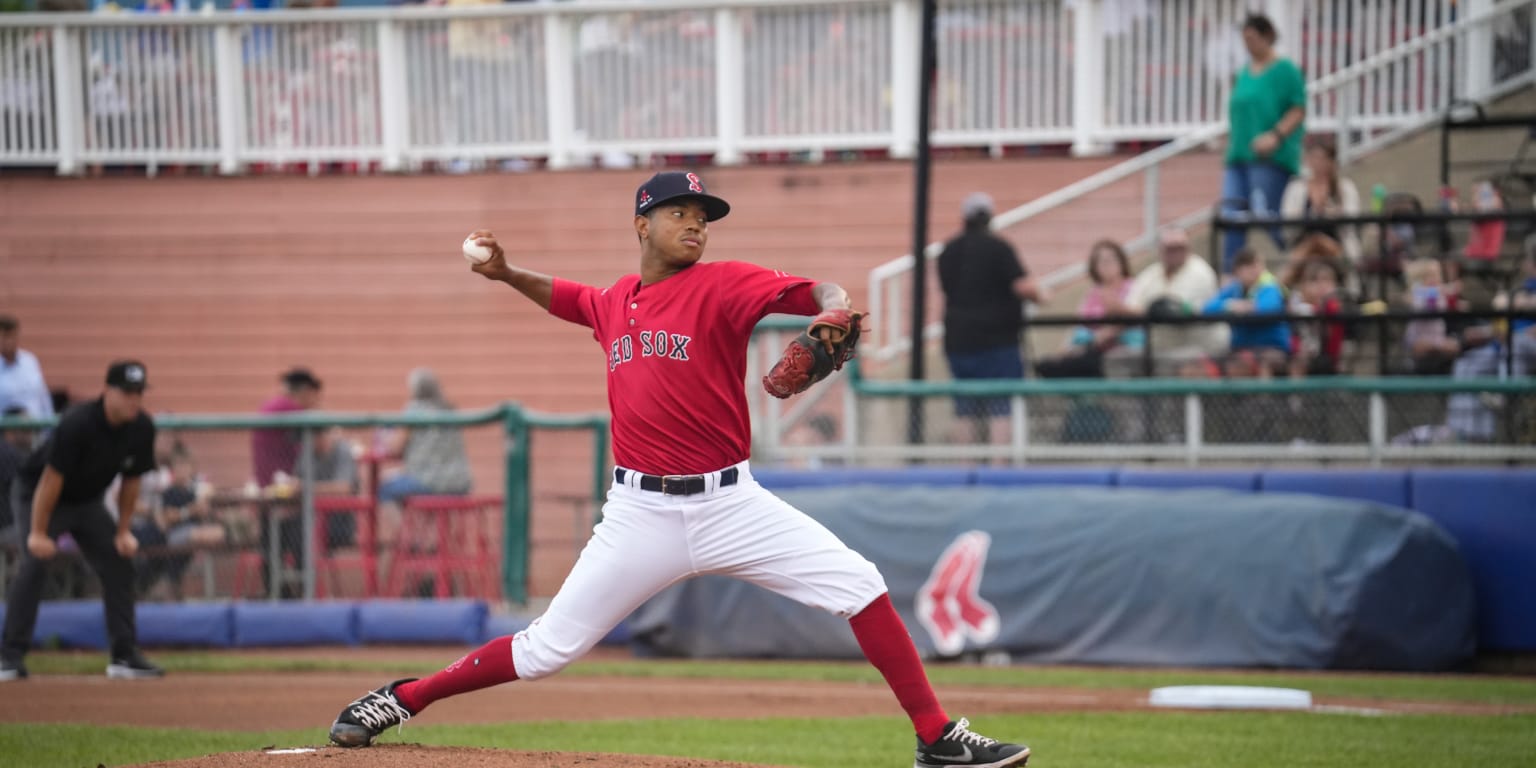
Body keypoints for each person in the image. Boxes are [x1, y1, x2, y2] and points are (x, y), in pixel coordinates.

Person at [326, 171, 1032, 768]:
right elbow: (568, 297)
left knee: (860, 584)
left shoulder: (724, 284)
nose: (695, 225)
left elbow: (820, 290)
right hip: (640, 516)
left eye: (703, 216)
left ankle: (937, 740)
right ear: (643, 224)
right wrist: (507, 272)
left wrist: (836, 310)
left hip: (734, 505)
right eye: (679, 213)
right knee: (546, 649)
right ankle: (403, 697)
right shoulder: (613, 303)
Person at [0, 360, 164, 682]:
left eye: (139, 393)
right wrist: (37, 533)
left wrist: (123, 531)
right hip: (39, 494)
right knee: (34, 563)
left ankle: (124, 655)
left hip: (86, 501)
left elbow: (131, 482)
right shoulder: (79, 422)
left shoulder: (142, 427)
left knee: (119, 562)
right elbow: (50, 480)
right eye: (127, 392)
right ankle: (9, 657)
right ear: (107, 391)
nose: (134, 399)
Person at [937, 192, 1049, 447]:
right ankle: (999, 466)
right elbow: (1024, 287)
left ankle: (967, 469)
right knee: (1002, 403)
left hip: (958, 339)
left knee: (964, 406)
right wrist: (1043, 297)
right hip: (998, 340)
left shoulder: (949, 251)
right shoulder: (999, 247)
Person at [1220, 13, 1307, 273]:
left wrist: (1275, 136)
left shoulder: (1285, 70)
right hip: (1238, 157)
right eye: (1244, 39)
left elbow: (1298, 107)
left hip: (1270, 160)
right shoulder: (1244, 72)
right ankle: (1230, 276)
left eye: (1252, 38)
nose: (1248, 44)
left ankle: (1295, 266)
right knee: (1232, 215)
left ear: (1267, 36)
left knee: (1269, 216)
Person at [1112, 226, 1227, 378]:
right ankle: (1126, 402)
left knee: (1175, 364)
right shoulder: (1151, 274)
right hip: (1159, 348)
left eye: (1180, 247)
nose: (1176, 252)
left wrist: (1141, 310)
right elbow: (1131, 307)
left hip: (1198, 348)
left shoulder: (1200, 272)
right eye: (1170, 248)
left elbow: (1169, 311)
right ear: (1160, 249)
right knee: (1116, 359)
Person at [250, 367, 322, 599]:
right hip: (281, 493)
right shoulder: (287, 408)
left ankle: (283, 592)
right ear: (305, 392)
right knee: (292, 545)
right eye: (314, 395)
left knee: (275, 547)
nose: (315, 402)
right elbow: (321, 440)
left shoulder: (276, 407)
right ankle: (295, 593)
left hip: (274, 491)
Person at [1034, 240, 1142, 379]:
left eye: (1110, 260)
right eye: (1101, 262)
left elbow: (1124, 320)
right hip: (1088, 346)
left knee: (1084, 361)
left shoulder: (1132, 287)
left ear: (1121, 262)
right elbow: (1080, 323)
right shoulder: (1093, 292)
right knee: (1046, 365)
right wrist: (1066, 348)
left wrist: (1091, 343)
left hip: (1115, 344)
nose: (1106, 266)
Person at [376, 367, 472, 504]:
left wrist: (384, 437)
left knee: (384, 491)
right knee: (395, 479)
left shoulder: (414, 410)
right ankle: (422, 525)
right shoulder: (449, 409)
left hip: (428, 484)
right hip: (461, 483)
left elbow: (395, 447)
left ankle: (402, 526)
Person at [1203, 249, 1292, 379]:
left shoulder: (1270, 286)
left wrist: (1248, 306)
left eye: (1258, 265)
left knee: (1253, 362)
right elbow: (1208, 308)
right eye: (1249, 266)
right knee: (1213, 361)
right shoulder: (1233, 289)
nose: (1255, 270)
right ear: (1238, 271)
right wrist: (1230, 305)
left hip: (1272, 347)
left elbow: (1268, 307)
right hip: (1240, 347)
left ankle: (1264, 398)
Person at [1280, 138, 1362, 268]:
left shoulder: (1345, 188)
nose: (1317, 163)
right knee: (1312, 244)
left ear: (1331, 161)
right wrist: (1314, 212)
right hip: (1303, 245)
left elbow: (1351, 221)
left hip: (1337, 245)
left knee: (1318, 241)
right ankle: (1283, 285)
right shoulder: (1296, 187)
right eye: (1313, 158)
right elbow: (1288, 224)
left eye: (1322, 158)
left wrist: (1331, 212)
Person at [0, 314, 55, 420]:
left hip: (34, 429)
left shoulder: (30, 361)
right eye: (5, 337)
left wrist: (50, 425)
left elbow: (43, 396)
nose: (9, 342)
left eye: (12, 336)